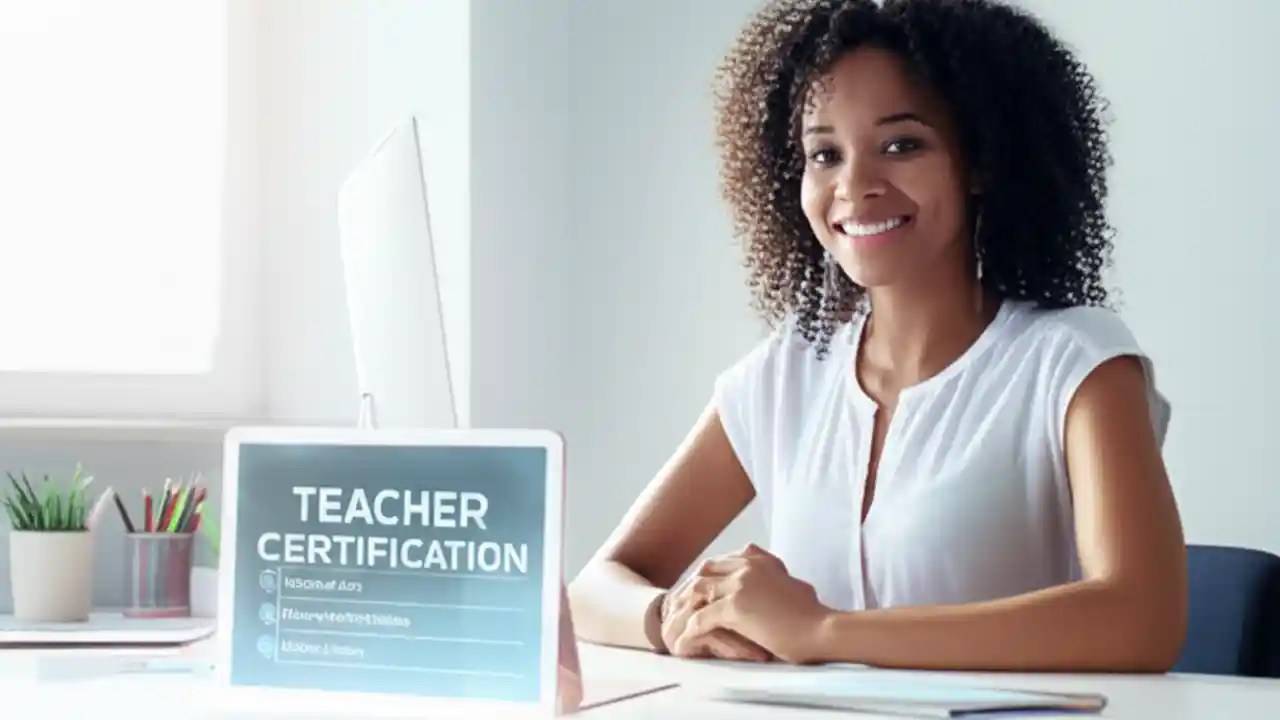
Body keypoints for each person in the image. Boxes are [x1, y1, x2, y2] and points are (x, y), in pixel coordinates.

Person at [567, 0, 1187, 672]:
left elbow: (1141, 621)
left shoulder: (1077, 364)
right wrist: (671, 617)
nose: (854, 185)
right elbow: (597, 587)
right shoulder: (784, 375)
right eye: (824, 154)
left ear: (979, 161)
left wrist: (823, 630)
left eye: (901, 145)